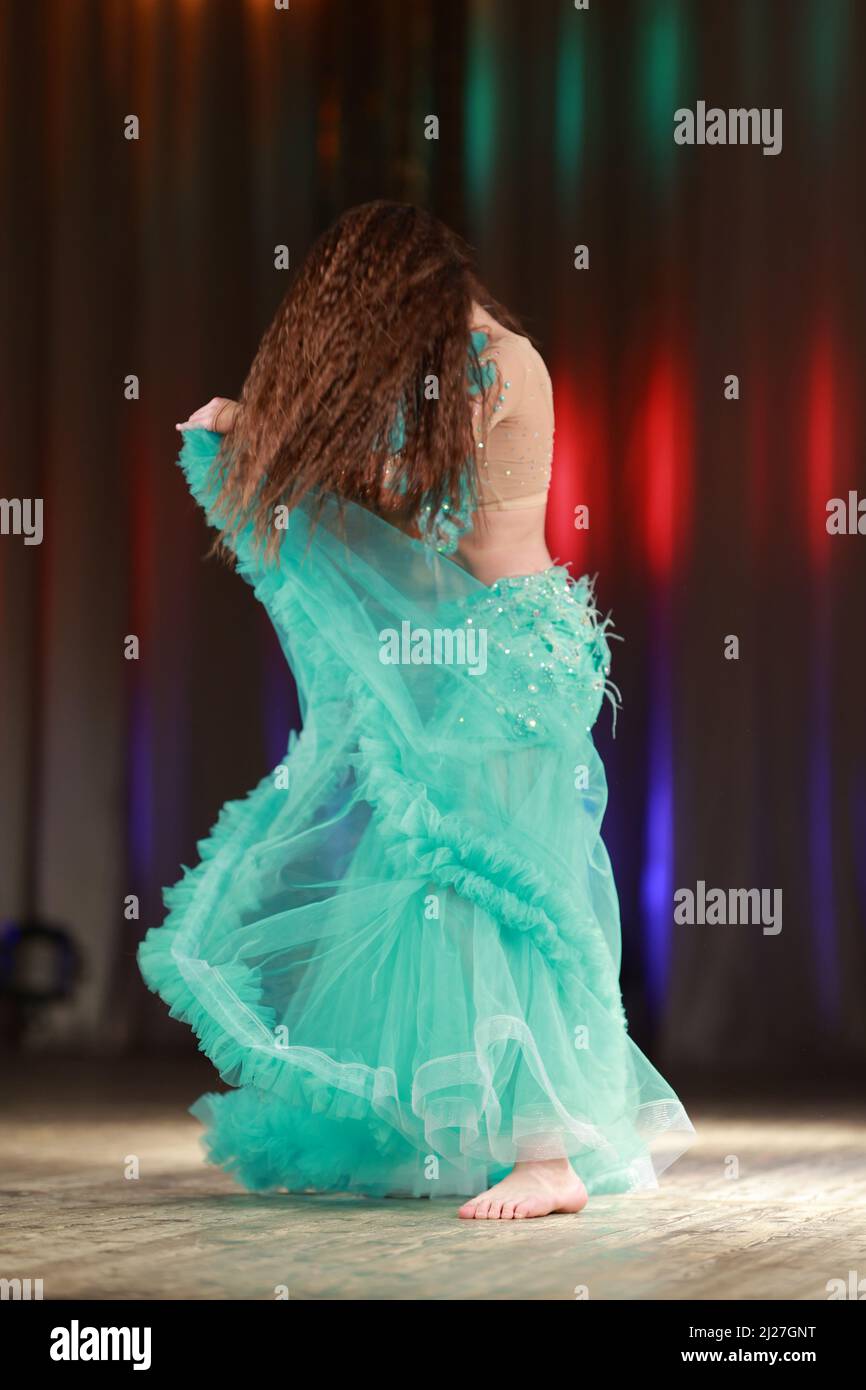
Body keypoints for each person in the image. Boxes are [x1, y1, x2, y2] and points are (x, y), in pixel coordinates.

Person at [138, 201, 693, 1219]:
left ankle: (546, 1156)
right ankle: (494, 1138)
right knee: (442, 885)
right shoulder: (482, 356)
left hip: (512, 655)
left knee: (503, 893)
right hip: (496, 647)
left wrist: (262, 445)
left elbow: (419, 501)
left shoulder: (486, 360)